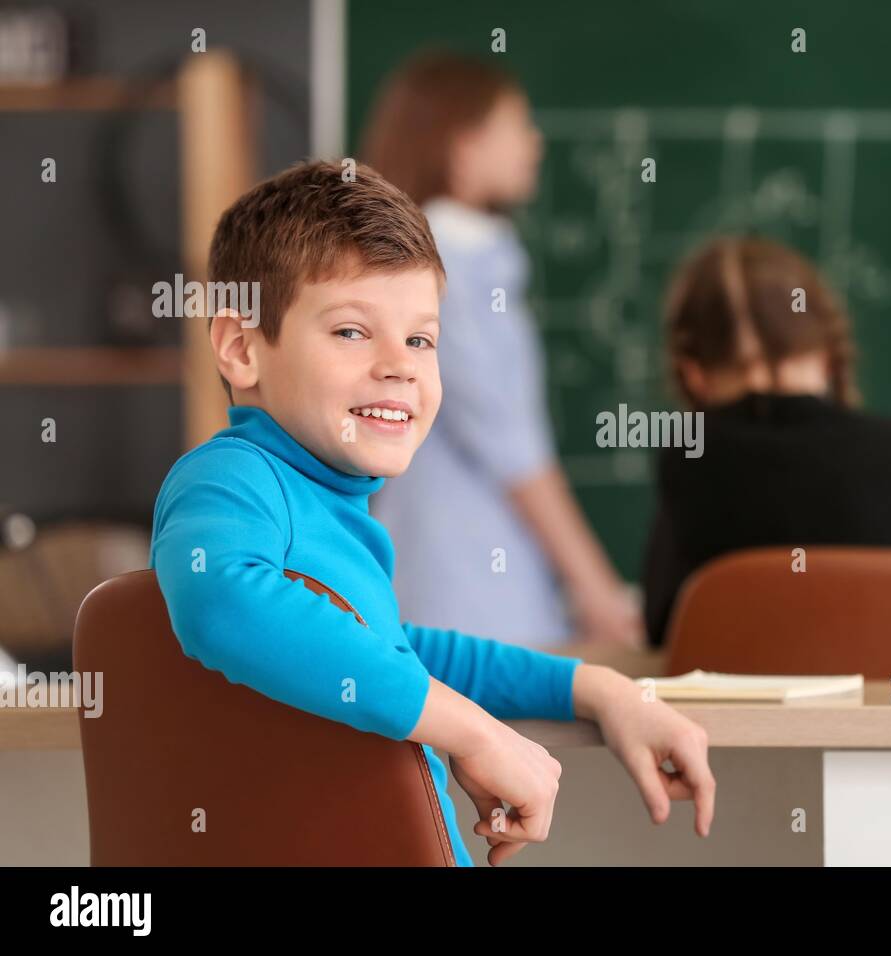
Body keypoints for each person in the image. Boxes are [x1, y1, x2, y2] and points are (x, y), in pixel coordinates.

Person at [150, 161, 713, 867]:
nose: (401, 366)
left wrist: (596, 688)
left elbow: (399, 656)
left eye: (421, 339)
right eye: (353, 332)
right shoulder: (235, 478)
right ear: (241, 347)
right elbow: (218, 600)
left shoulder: (326, 506)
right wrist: (474, 734)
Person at [362, 52, 640, 648]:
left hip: (451, 575)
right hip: (464, 589)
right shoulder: (450, 268)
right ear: (463, 148)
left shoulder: (445, 260)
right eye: (517, 126)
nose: (534, 144)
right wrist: (596, 587)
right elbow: (514, 447)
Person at [641, 236, 891, 647]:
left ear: (692, 374)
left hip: (733, 714)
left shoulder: (689, 460)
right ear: (830, 353)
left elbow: (662, 625)